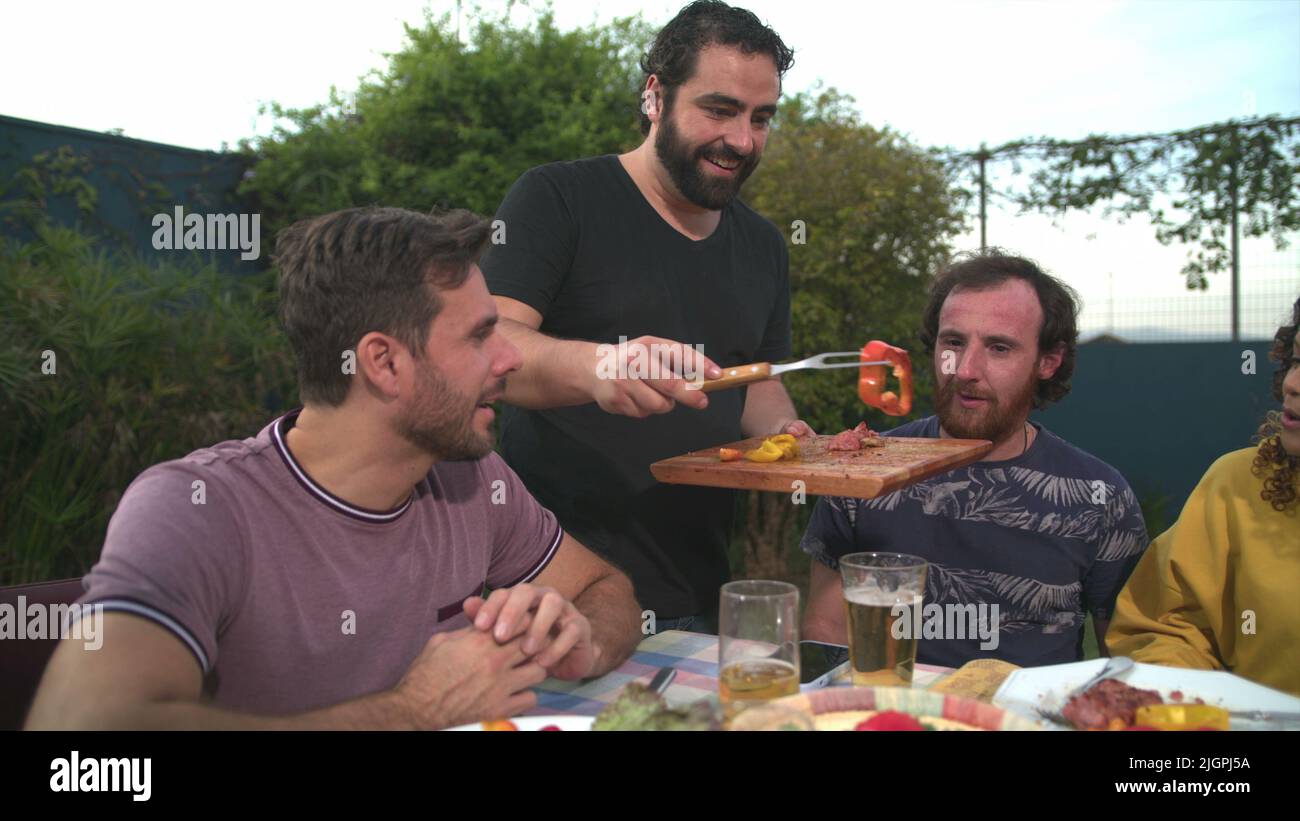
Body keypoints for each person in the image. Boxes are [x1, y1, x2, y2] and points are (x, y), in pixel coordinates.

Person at [26, 207, 643, 730]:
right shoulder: (196, 508)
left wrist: (580, 640)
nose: (511, 358)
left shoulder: (470, 480)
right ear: (384, 363)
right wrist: (411, 711)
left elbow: (605, 590)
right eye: (481, 336)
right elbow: (78, 735)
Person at [479, 1, 806, 632]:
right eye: (719, 110)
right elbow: (490, 349)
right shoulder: (557, 199)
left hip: (700, 596)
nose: (742, 140)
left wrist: (792, 437)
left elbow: (755, 380)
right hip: (552, 597)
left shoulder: (764, 245)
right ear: (655, 96)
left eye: (761, 117)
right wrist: (601, 365)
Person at [800, 250, 1149, 668]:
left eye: (999, 348)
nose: (965, 369)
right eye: (953, 342)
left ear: (1048, 362)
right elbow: (827, 632)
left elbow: (1125, 660)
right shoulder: (860, 474)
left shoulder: (1099, 497)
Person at [1106, 295, 1300, 696]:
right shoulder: (1240, 483)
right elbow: (1171, 627)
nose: (1292, 384)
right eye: (1296, 361)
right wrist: (1178, 697)